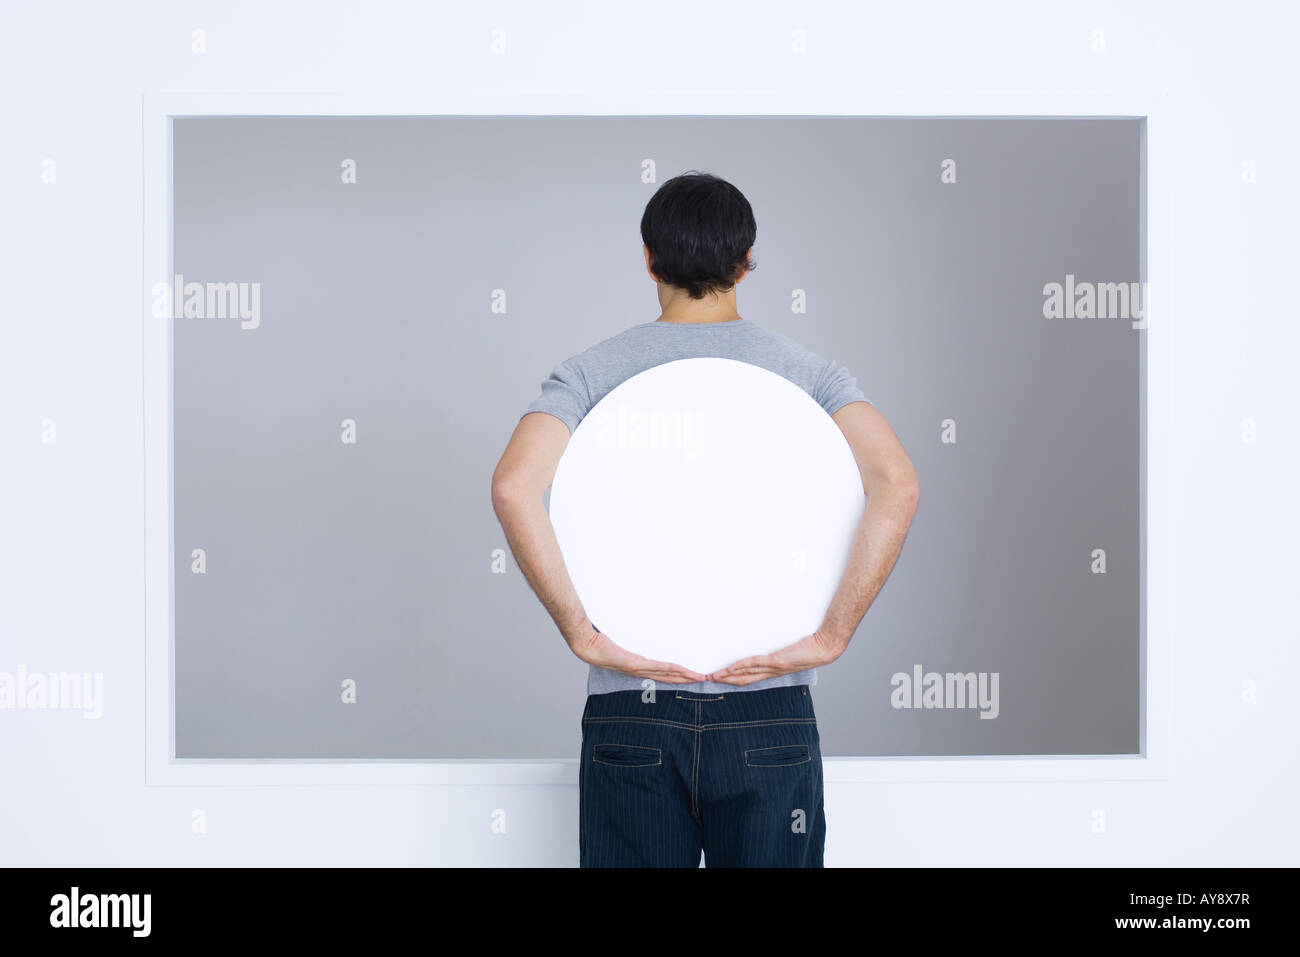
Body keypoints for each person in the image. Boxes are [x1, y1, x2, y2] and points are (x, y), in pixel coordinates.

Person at [490, 171, 919, 867]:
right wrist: (832, 636)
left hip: (633, 712)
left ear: (649, 258)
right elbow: (896, 484)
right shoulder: (809, 374)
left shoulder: (592, 371)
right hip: (767, 710)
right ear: (748, 260)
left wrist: (584, 634)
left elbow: (514, 487)